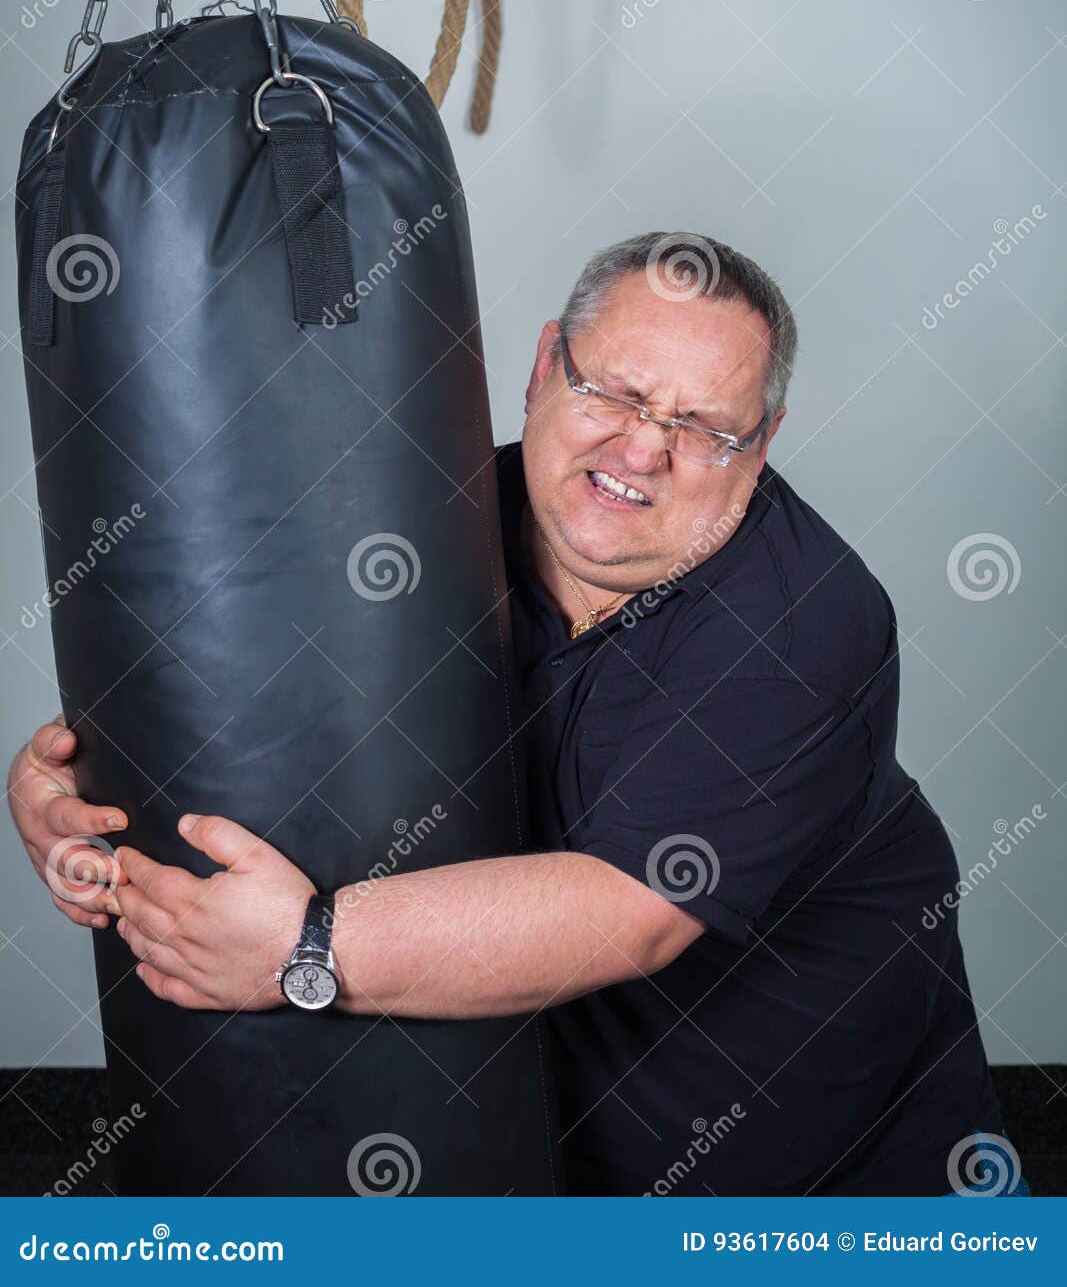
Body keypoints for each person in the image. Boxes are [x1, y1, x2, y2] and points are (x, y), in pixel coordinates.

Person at [7, 233, 1022, 1196]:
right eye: (615, 392)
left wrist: (304, 946)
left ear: (757, 446)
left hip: (815, 1181)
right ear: (545, 365)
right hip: (534, 1153)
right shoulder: (426, 529)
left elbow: (627, 914)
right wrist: (91, 798)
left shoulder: (801, 627)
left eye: (703, 428)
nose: (642, 447)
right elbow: (262, 705)